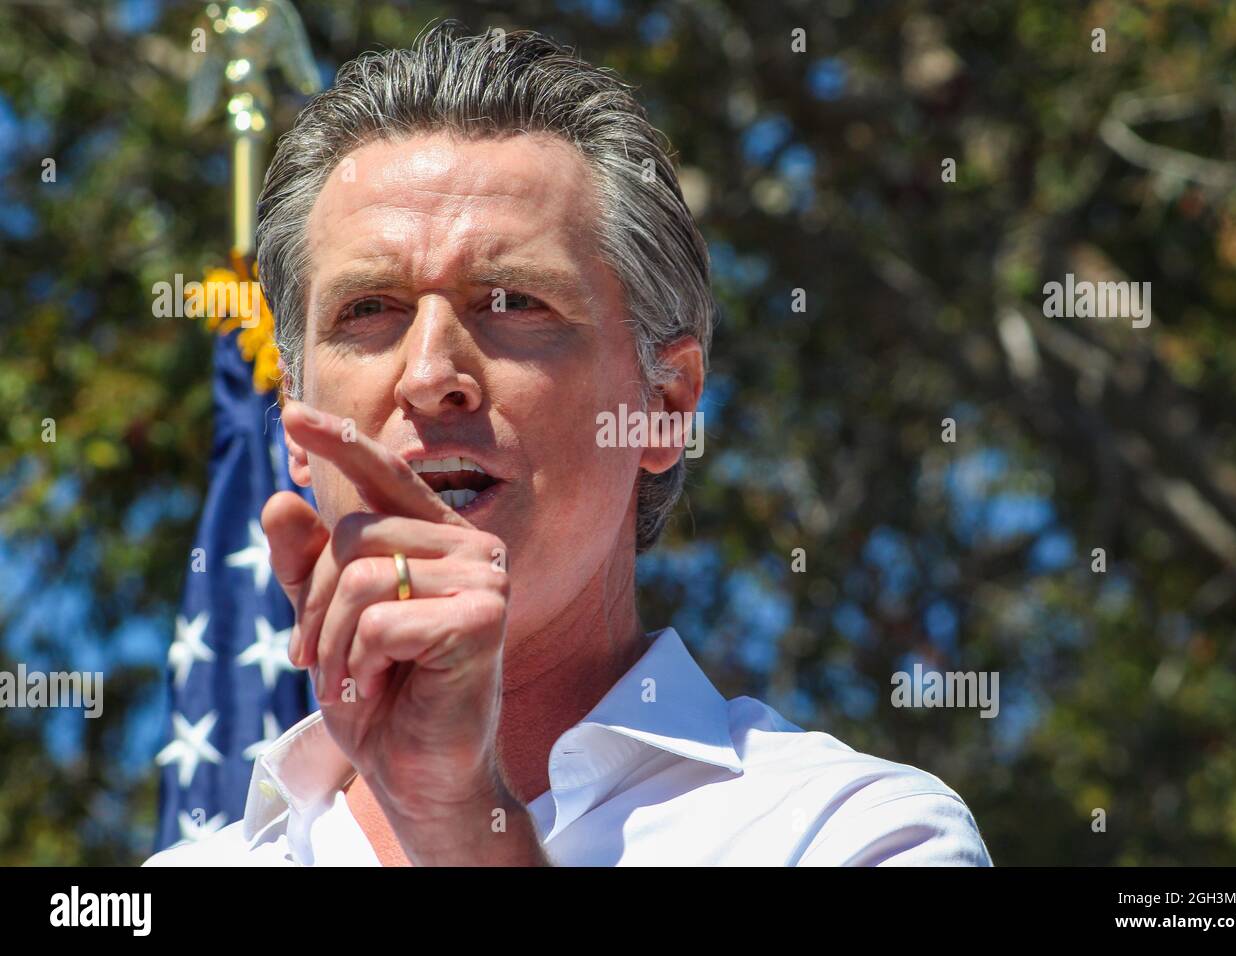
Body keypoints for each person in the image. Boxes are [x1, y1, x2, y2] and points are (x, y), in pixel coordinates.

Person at [145, 21, 992, 866]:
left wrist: (459, 820)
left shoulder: (852, 832)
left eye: (512, 303)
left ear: (665, 405)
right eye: (368, 310)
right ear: (294, 419)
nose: (431, 373)